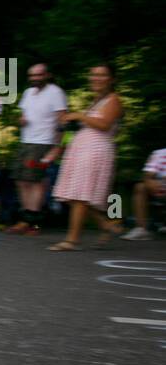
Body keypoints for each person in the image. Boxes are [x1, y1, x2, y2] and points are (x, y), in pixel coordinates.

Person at [49, 64, 123, 251]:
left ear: (111, 79)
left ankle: (72, 240)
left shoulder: (114, 100)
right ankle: (106, 225)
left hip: (96, 151)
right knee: (74, 195)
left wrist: (79, 116)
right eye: (93, 75)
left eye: (101, 75)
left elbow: (105, 124)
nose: (96, 78)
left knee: (81, 196)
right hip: (82, 150)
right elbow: (91, 123)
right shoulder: (97, 101)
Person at [6, 63, 67, 235]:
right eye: (32, 75)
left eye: (38, 75)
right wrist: (21, 120)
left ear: (47, 75)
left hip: (43, 142)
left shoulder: (55, 92)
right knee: (21, 180)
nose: (34, 78)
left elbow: (62, 121)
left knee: (36, 182)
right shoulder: (28, 93)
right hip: (26, 141)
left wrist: (56, 147)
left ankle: (35, 223)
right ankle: (25, 219)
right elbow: (23, 115)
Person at [123, 147, 166, 240]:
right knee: (140, 187)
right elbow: (148, 176)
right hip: (161, 189)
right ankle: (141, 230)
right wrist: (151, 182)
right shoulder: (159, 154)